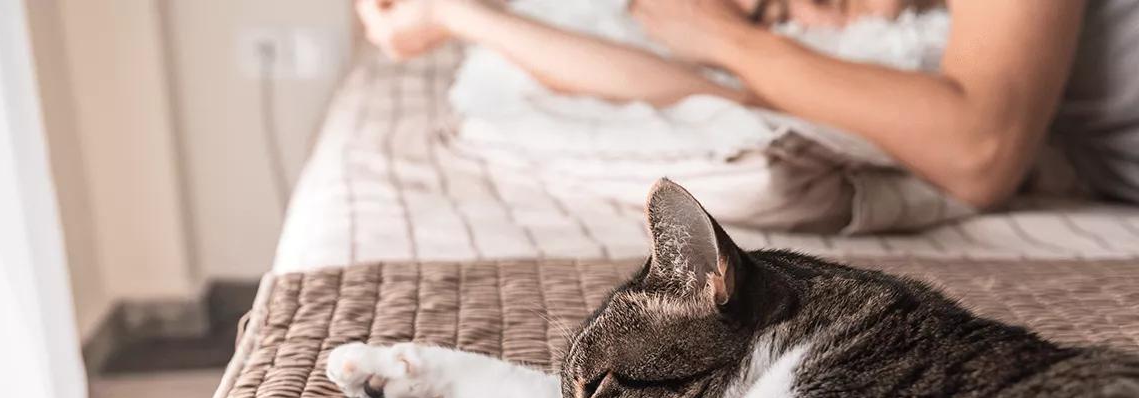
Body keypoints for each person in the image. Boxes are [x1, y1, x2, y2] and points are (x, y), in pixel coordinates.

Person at [356, 0, 1139, 211]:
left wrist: (737, 41)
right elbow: (694, 92)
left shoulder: (772, 51)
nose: (807, 15)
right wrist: (456, 15)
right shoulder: (850, 58)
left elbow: (978, 150)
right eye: (772, 11)